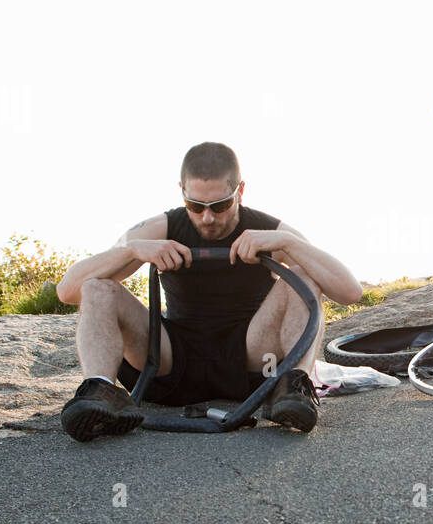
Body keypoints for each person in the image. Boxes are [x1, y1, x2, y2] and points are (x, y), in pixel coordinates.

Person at [55, 141, 362, 441]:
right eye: (195, 206)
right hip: (172, 361)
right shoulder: (161, 226)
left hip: (252, 360)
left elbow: (350, 292)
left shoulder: (269, 229)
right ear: (182, 191)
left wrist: (288, 244)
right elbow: (68, 291)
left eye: (220, 205)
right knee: (97, 287)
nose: (207, 217)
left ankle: (295, 387)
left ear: (239, 191)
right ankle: (99, 391)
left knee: (303, 277)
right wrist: (133, 251)